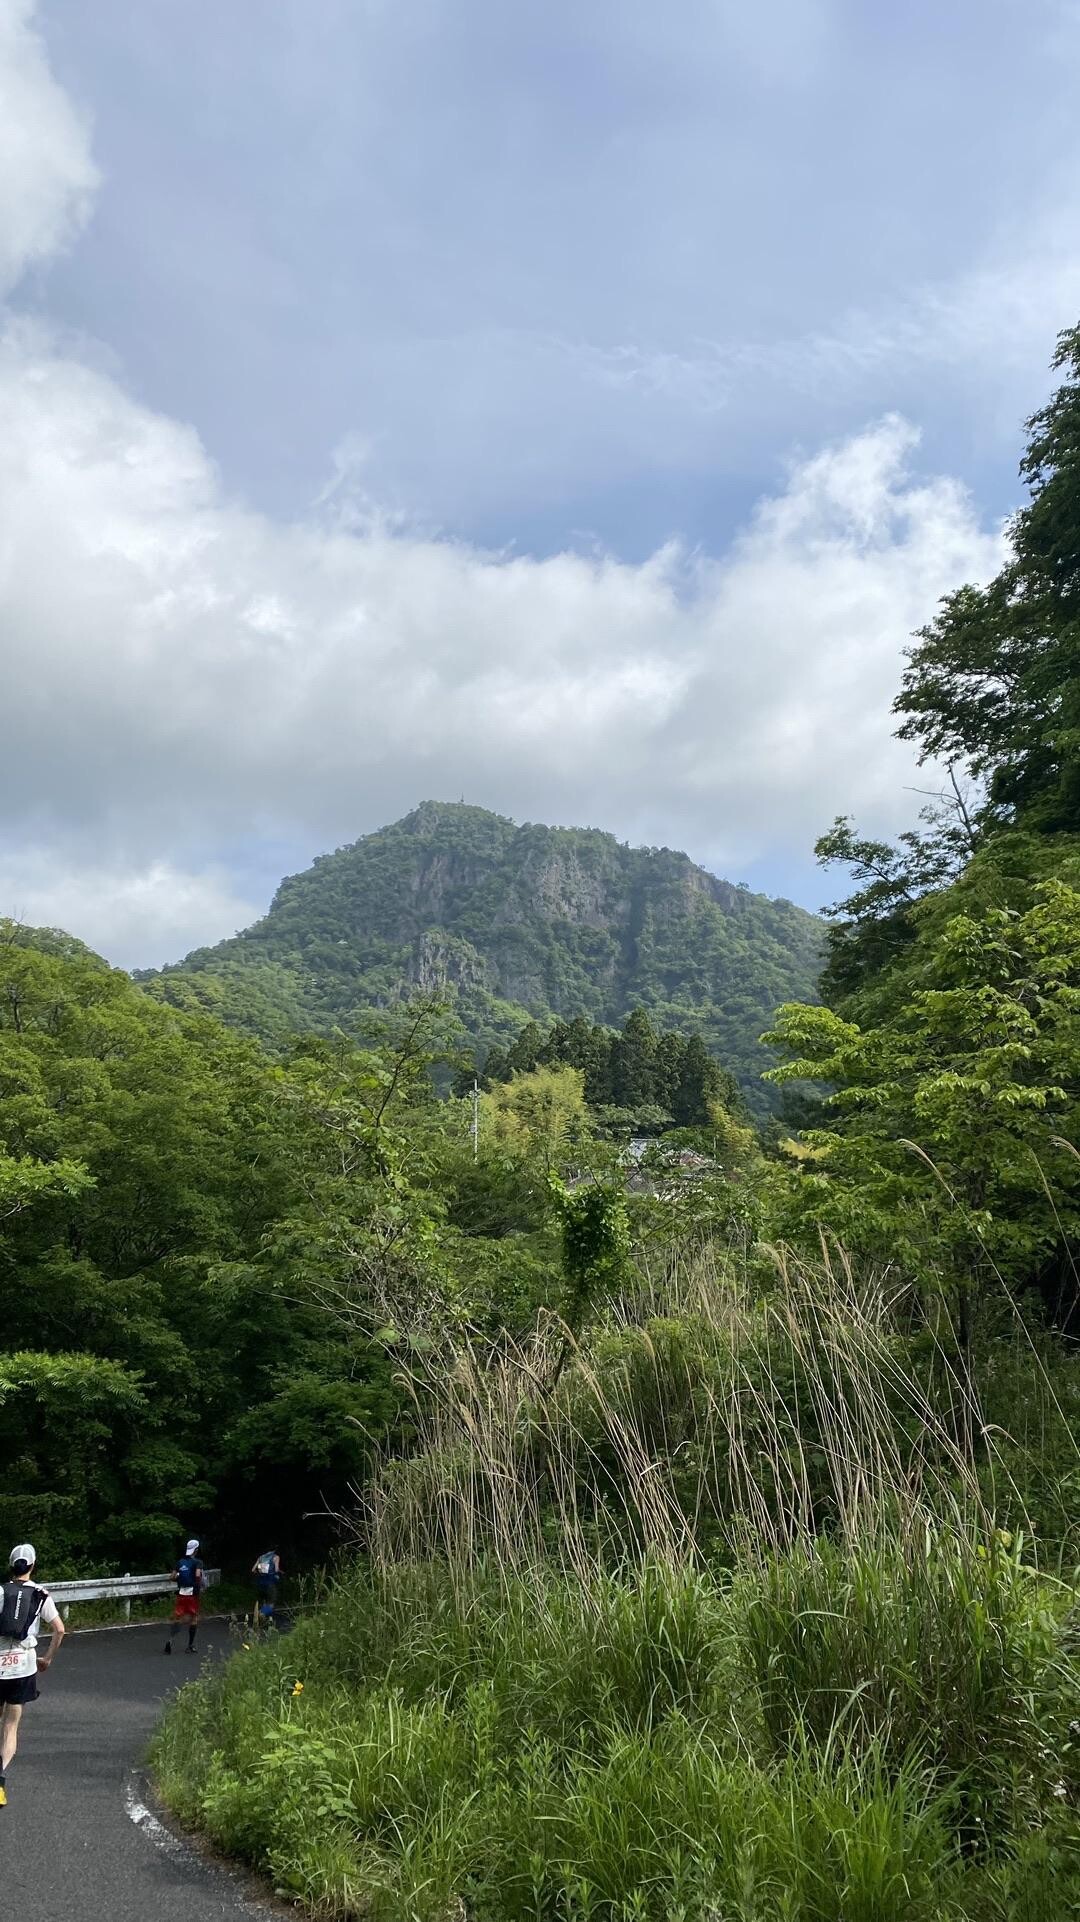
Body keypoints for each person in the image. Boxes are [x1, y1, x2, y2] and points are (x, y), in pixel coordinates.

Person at [0, 1543, 64, 1808]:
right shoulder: (40, 1594)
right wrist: (47, 1659)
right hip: (24, 1665)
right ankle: (0, 1783)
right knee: (10, 1726)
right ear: (33, 1565)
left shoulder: (0, 1591)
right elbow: (59, 1629)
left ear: (11, 1565)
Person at [164, 1538, 205, 1655]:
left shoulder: (180, 1562)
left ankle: (170, 1640)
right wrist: (200, 1584)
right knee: (194, 1618)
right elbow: (198, 1576)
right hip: (193, 1594)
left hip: (181, 1593)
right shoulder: (198, 1562)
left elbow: (172, 1577)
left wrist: (180, 1578)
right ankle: (190, 1646)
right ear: (196, 1550)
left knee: (178, 1617)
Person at [251, 1547, 282, 1631]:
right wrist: (278, 1572)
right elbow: (276, 1570)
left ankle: (263, 1621)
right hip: (270, 1583)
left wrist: (260, 1573)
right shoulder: (275, 1557)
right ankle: (262, 1614)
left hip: (261, 1584)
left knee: (264, 1602)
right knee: (271, 1602)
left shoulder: (261, 1557)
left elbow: (253, 1570)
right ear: (274, 1549)